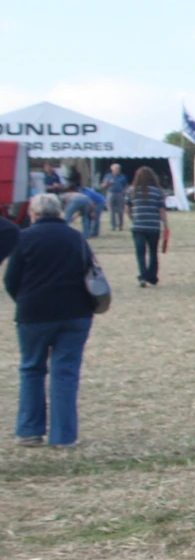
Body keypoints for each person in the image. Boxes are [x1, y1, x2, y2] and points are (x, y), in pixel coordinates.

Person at [6, 192, 94, 448]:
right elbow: (90, 270)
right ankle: (63, 435)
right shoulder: (76, 237)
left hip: (34, 314)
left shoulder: (24, 238)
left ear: (33, 214)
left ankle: (30, 430)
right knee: (65, 372)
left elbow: (11, 280)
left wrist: (23, 301)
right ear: (59, 212)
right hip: (76, 313)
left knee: (32, 368)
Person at [128, 165, 167, 286]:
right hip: (153, 226)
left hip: (138, 226)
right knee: (153, 252)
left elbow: (127, 208)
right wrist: (165, 225)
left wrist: (133, 218)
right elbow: (161, 210)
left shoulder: (132, 191)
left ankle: (143, 276)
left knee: (140, 253)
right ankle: (153, 277)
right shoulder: (157, 192)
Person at [102, 163, 129, 231]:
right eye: (116, 169)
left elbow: (126, 186)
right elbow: (103, 185)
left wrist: (125, 194)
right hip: (110, 193)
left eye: (118, 169)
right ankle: (113, 226)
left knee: (120, 210)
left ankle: (120, 225)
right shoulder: (108, 176)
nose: (118, 170)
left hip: (119, 194)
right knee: (111, 210)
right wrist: (109, 183)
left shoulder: (123, 177)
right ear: (112, 170)